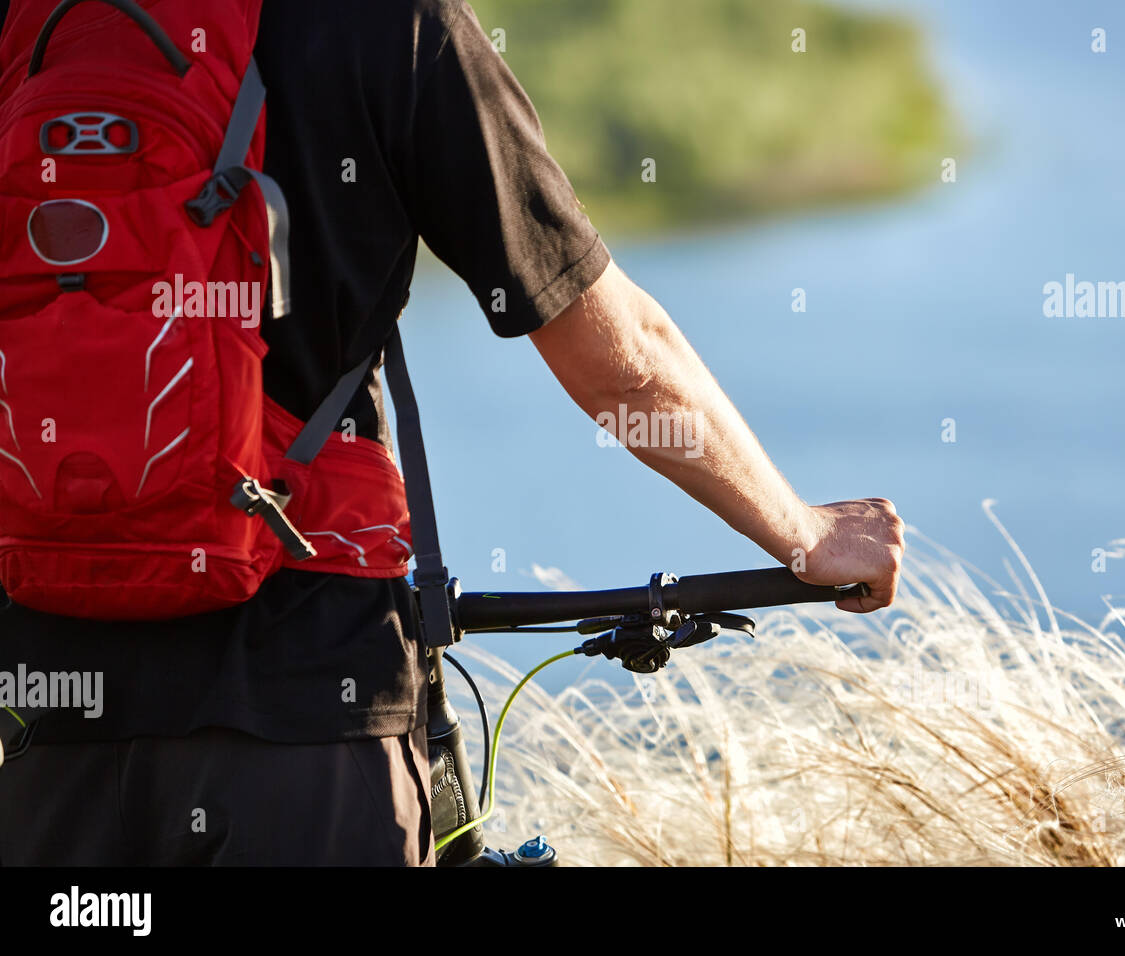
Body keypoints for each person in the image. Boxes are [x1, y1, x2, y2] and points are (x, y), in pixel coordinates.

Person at [0, 0, 903, 866]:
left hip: (44, 720)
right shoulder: (389, 21)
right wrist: (800, 530)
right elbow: (616, 355)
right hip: (309, 702)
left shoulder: (30, 23)